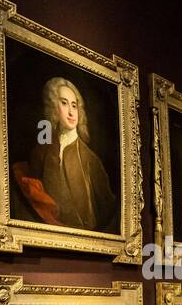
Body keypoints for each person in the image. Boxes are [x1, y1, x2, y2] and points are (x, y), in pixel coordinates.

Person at [14, 77, 117, 231]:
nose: (70, 112)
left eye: (74, 105)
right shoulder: (43, 149)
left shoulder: (90, 158)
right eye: (64, 103)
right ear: (54, 107)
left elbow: (108, 208)